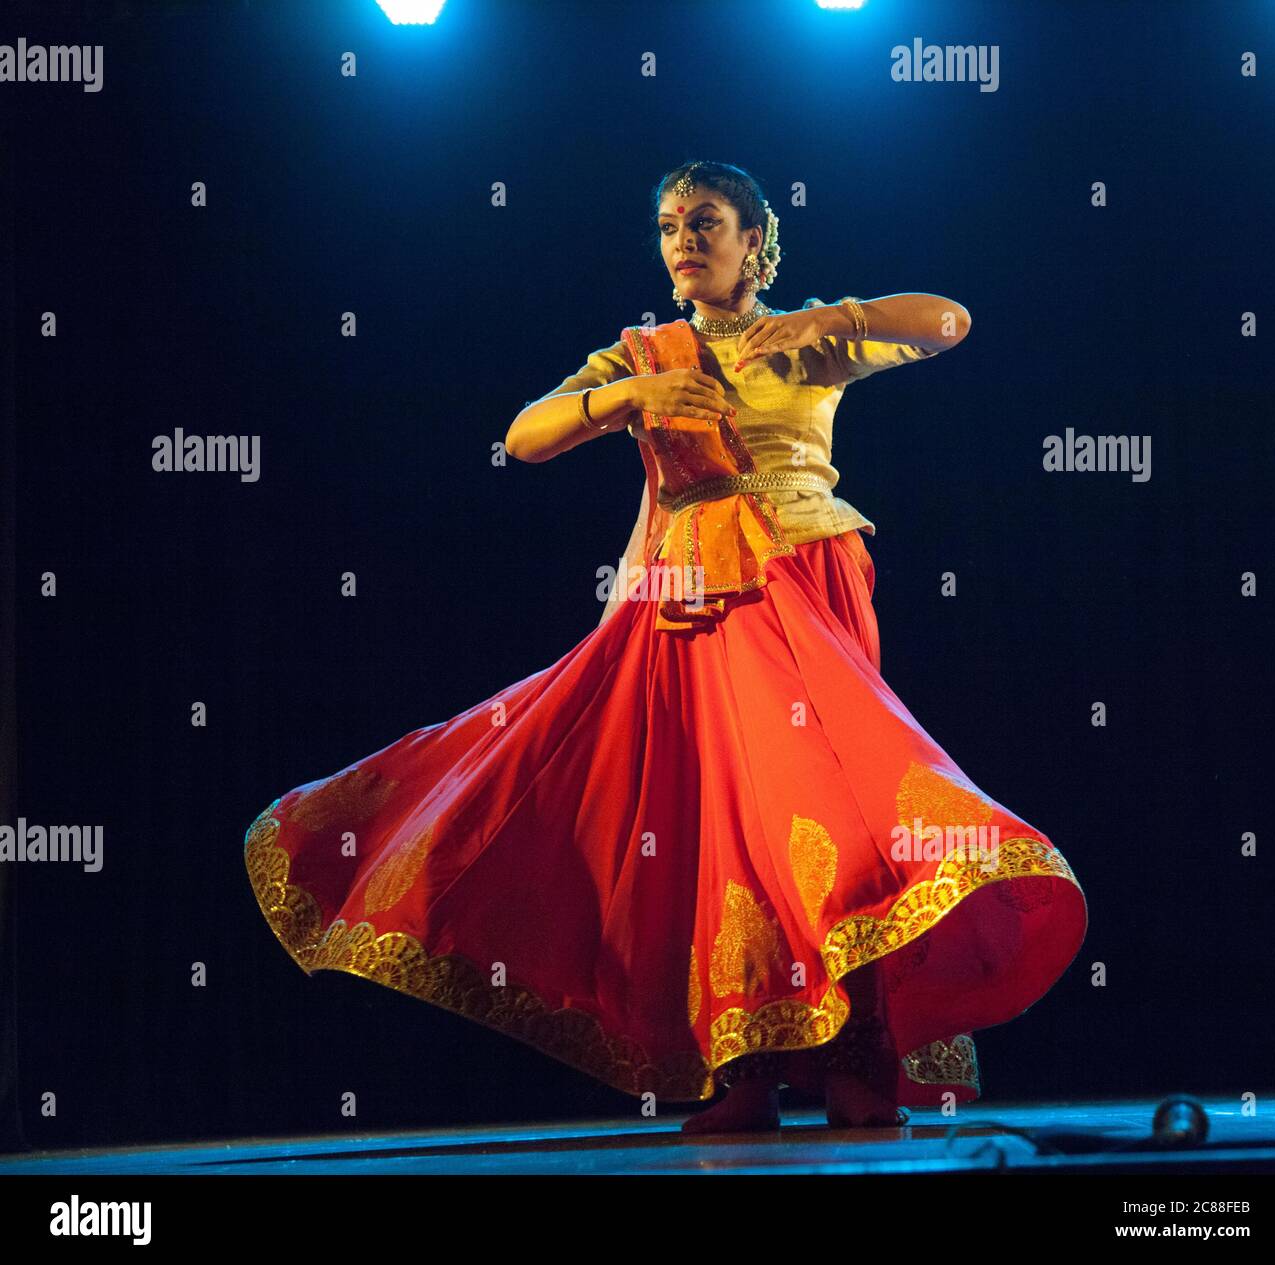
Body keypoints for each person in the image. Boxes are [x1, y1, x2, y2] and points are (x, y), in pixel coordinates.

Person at [243, 160, 1087, 1136]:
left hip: (807, 585)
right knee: (723, 831)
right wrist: (621, 400)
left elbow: (949, 321)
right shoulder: (645, 352)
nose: (684, 238)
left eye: (707, 221)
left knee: (833, 822)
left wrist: (821, 321)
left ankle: (861, 1054)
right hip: (694, 607)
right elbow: (524, 435)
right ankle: (744, 1069)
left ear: (755, 241)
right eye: (668, 225)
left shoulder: (801, 341)